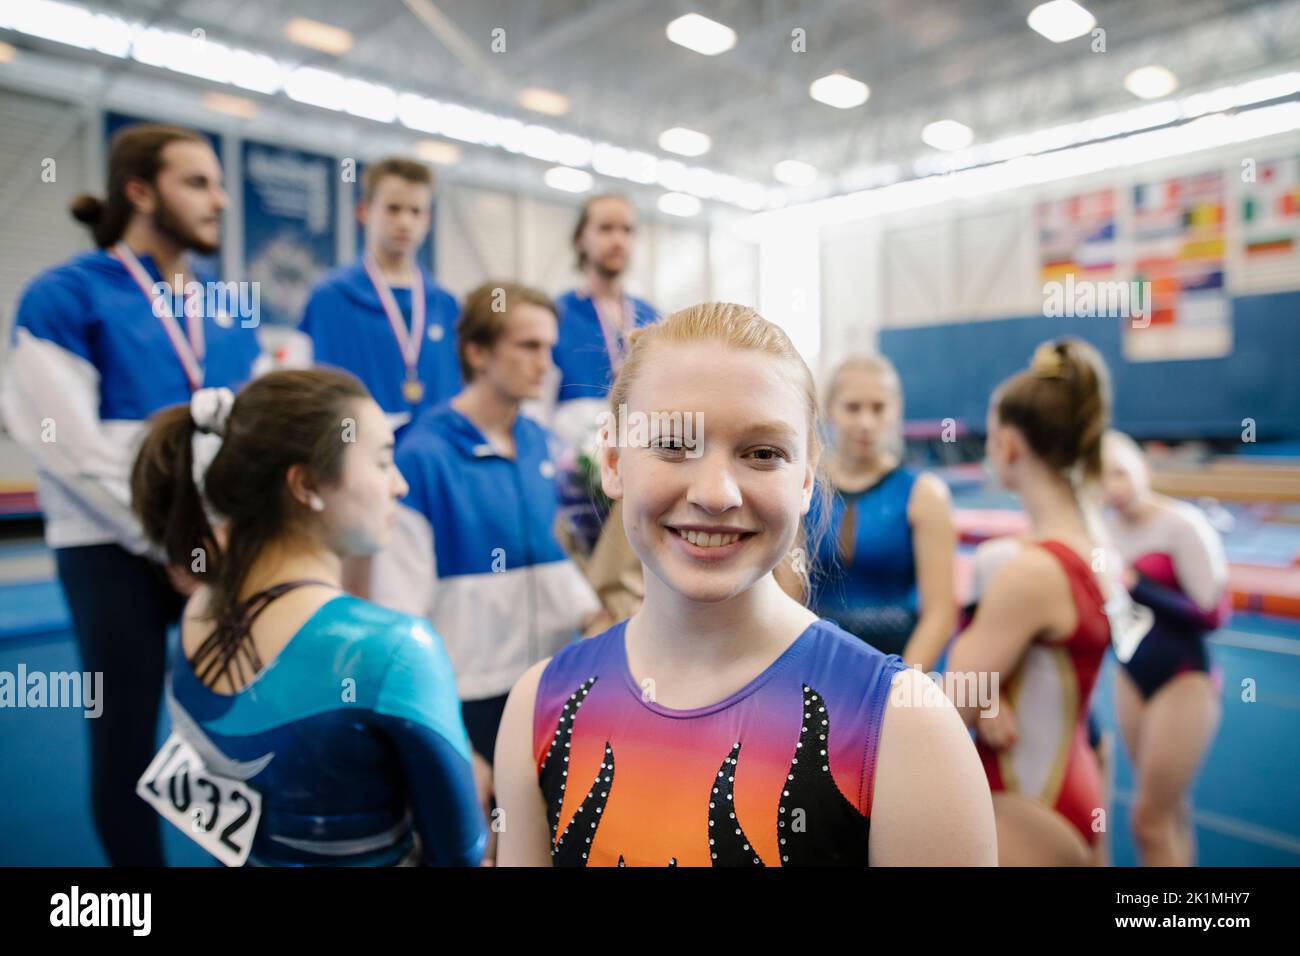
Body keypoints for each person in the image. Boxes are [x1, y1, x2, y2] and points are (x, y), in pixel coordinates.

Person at [493, 303, 996, 867]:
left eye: (762, 454)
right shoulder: (541, 706)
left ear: (806, 479)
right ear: (613, 461)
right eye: (674, 444)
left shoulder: (906, 728)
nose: (716, 493)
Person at [0, 123, 261, 866]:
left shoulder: (225, 304)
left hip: (214, 549)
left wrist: (226, 537)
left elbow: (241, 435)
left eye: (219, 183)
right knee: (123, 741)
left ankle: (230, 854)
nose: (220, 200)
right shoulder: (64, 294)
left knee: (236, 731)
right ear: (140, 191)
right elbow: (68, 448)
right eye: (198, 183)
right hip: (110, 550)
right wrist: (174, 541)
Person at [130, 370, 486, 866]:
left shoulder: (199, 610)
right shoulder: (393, 649)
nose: (400, 485)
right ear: (307, 484)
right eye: (383, 461)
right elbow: (464, 854)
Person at [371, 282, 604, 823]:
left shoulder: (543, 447)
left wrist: (593, 613)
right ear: (478, 352)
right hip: (464, 702)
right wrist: (451, 737)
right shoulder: (422, 458)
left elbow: (555, 557)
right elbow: (399, 622)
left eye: (549, 348)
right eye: (528, 346)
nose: (546, 364)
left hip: (546, 692)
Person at [947, 339, 1119, 866]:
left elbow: (953, 707)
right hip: (1071, 777)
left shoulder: (1032, 573)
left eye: (994, 438)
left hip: (1025, 792)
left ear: (1012, 448)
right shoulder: (1094, 544)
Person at [1103, 429, 1228, 866]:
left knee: (1146, 820)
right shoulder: (1103, 532)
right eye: (1101, 477)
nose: (1111, 487)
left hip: (1183, 677)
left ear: (1144, 469)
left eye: (1120, 473)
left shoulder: (1181, 523)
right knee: (1170, 810)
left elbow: (1214, 613)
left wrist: (1142, 587)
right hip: (1130, 675)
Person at [783, 355, 956, 668]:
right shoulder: (805, 490)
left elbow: (941, 613)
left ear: (895, 412)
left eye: (878, 408)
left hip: (901, 656)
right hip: (823, 657)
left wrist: (901, 685)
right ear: (829, 412)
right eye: (853, 408)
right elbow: (790, 598)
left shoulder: (924, 494)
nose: (866, 422)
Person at [299, 157, 461, 436]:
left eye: (416, 211)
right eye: (393, 209)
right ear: (364, 211)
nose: (405, 222)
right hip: (357, 457)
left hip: (434, 461)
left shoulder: (445, 305)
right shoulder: (330, 298)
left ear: (428, 220)